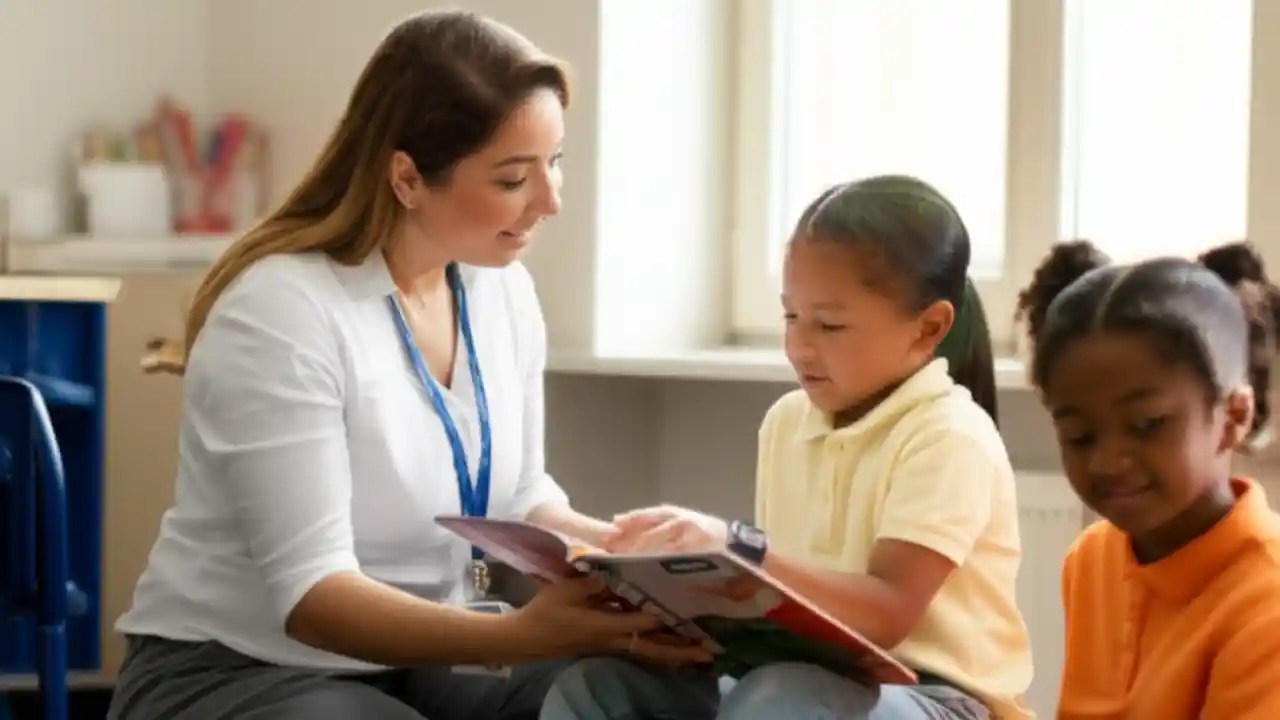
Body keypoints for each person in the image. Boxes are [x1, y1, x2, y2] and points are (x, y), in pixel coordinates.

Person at [106, 11, 709, 720]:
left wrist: (634, 560)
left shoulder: (500, 290)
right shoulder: (282, 312)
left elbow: (518, 495)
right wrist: (523, 635)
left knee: (648, 690)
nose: (550, 201)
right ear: (408, 177)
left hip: (419, 661)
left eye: (555, 163)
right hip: (240, 668)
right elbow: (313, 596)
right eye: (514, 178)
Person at [541, 176, 1033, 719]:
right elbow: (785, 605)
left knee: (781, 699)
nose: (799, 346)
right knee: (602, 687)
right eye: (791, 316)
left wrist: (739, 548)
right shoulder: (787, 421)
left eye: (829, 325)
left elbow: (888, 613)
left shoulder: (949, 435)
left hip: (940, 699)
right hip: (802, 678)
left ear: (928, 327)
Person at [1014, 240, 1280, 719]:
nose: (1107, 462)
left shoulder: (1267, 598)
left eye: (1147, 424)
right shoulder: (1091, 560)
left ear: (1234, 416)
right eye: (1079, 435)